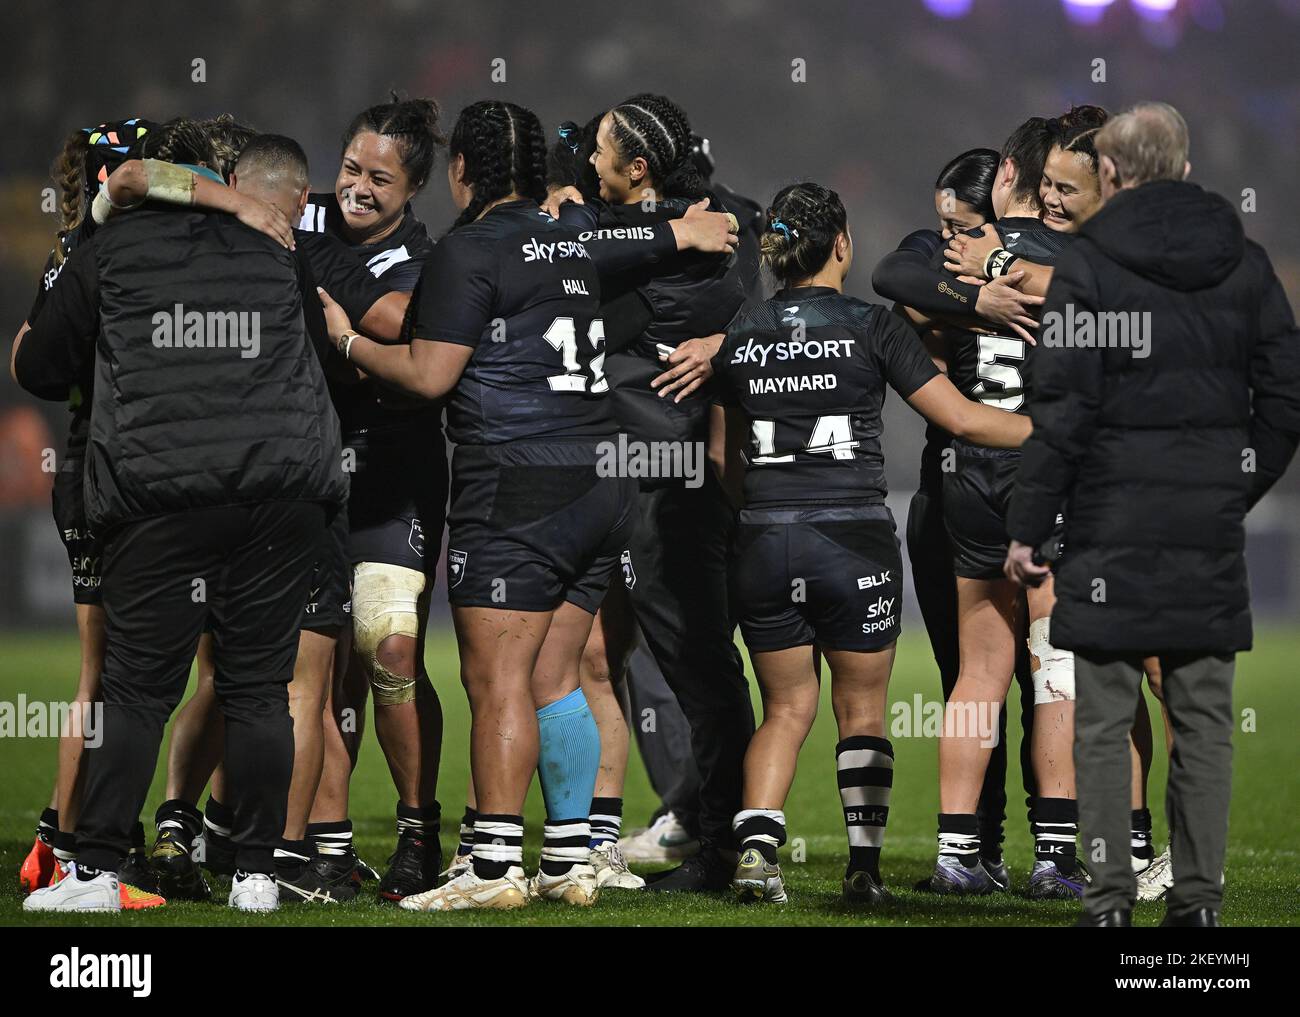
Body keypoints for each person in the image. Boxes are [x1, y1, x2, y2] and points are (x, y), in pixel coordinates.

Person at [16, 116, 347, 914]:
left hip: (163, 494)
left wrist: (89, 235)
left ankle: (94, 872)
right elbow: (310, 343)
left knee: (133, 689)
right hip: (282, 489)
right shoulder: (273, 242)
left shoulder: (113, 247)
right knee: (260, 688)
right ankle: (257, 874)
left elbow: (36, 365)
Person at [320, 99, 638, 911]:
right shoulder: (574, 242)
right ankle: (569, 857)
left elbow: (428, 375)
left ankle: (491, 867)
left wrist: (349, 342)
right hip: (602, 478)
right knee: (557, 675)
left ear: (459, 170)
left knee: (496, 679)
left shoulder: (470, 248)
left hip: (520, 485)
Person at [1004, 102, 1300, 927]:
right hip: (1204, 530)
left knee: (1101, 721)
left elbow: (1060, 411)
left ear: (1110, 173)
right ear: (1186, 163)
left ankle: (1108, 905)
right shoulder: (1244, 262)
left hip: (1108, 526)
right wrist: (1232, 486)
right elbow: (1285, 399)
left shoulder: (1089, 268)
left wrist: (1029, 523)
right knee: (1204, 722)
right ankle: (1198, 907)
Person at [710, 182, 1031, 905]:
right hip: (851, 540)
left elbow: (720, 459)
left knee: (786, 710)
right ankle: (863, 868)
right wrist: (1061, 436)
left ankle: (757, 853)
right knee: (861, 714)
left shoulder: (741, 330)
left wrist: (764, 505)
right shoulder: (871, 325)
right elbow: (965, 419)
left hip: (763, 539)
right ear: (843, 244)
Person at [871, 147, 1040, 885]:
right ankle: (983, 846)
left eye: (960, 224)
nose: (945, 238)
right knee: (971, 679)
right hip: (948, 496)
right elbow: (894, 276)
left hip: (1019, 485)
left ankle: (1056, 849)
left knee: (1045, 682)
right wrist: (973, 297)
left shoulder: (1034, 264)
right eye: (940, 222)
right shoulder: (933, 257)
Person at [13, 117, 165, 911]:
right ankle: (71, 845)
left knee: (104, 670)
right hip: (115, 473)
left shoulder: (71, 252)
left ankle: (70, 834)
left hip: (88, 468)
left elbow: (23, 354)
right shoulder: (130, 256)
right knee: (113, 671)